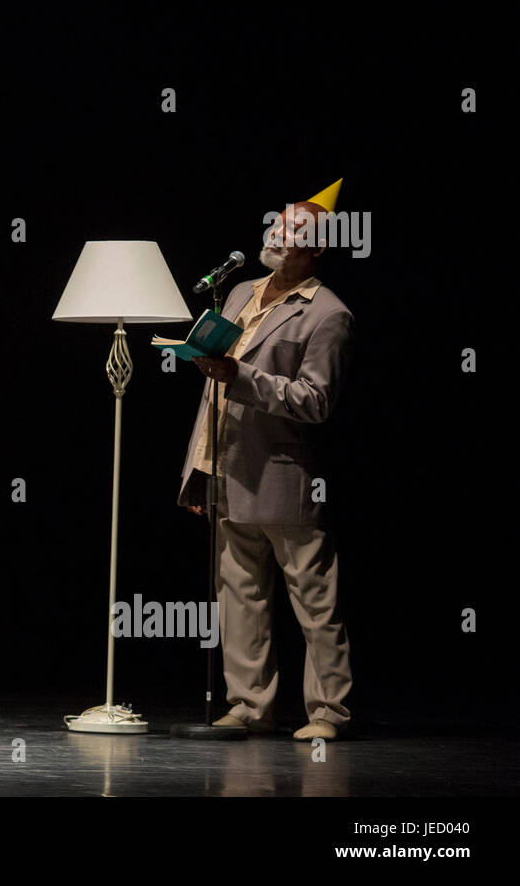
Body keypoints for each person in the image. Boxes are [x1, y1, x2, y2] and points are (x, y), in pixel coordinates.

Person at [177, 178, 355, 741]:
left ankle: (328, 712)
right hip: (226, 467)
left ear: (319, 247)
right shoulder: (240, 292)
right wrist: (197, 469)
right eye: (278, 223)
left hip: (282, 474)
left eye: (295, 230)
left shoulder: (328, 313)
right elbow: (216, 388)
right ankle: (249, 706)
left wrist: (243, 376)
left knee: (312, 597)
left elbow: (315, 400)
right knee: (239, 594)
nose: (280, 234)